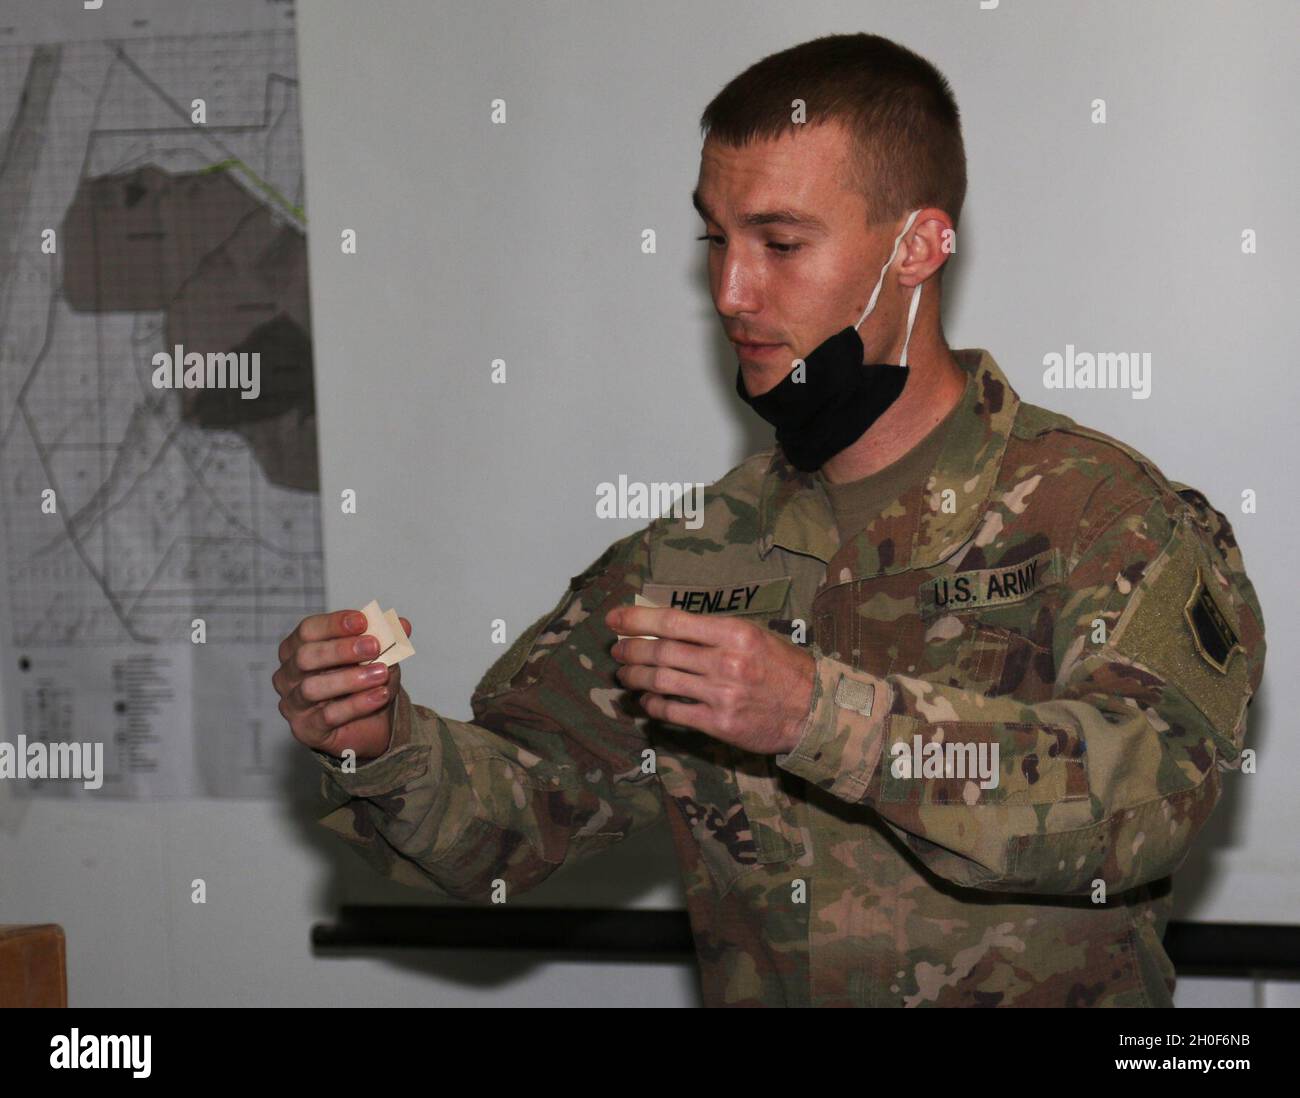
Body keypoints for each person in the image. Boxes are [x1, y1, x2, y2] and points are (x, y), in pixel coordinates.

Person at [272, 32, 1265, 1007]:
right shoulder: (697, 550)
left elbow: (1148, 801)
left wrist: (819, 718)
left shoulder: (1099, 512)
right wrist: (381, 741)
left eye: (780, 243)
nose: (731, 292)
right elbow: (528, 812)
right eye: (716, 239)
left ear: (915, 246)